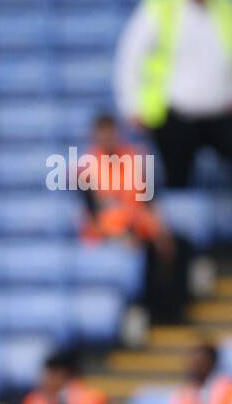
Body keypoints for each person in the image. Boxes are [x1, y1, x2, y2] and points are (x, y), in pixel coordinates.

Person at [114, 0, 232, 248]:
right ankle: (180, 245)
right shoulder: (161, 7)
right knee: (177, 181)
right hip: (176, 114)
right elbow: (131, 56)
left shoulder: (228, 8)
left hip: (221, 113)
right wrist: (131, 105)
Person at [78, 114, 190, 325]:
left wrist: (159, 230)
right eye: (103, 134)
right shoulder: (87, 169)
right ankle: (152, 311)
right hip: (108, 233)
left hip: (138, 225)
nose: (107, 139)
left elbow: (148, 200)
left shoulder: (133, 158)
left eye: (111, 133)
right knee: (145, 253)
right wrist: (119, 234)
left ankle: (174, 309)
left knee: (179, 245)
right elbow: (93, 214)